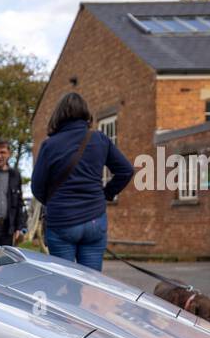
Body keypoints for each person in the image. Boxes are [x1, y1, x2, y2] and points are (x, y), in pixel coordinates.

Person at [30, 92, 134, 271]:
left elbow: (37, 187)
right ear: (85, 113)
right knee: (92, 284)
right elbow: (126, 170)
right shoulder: (100, 139)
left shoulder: (50, 145)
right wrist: (106, 194)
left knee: (65, 283)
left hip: (62, 221)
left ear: (59, 115)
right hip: (94, 219)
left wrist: (55, 202)